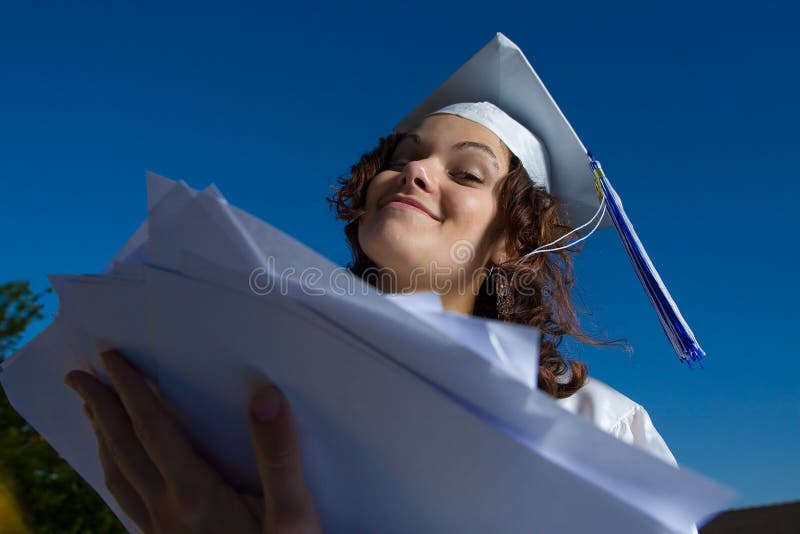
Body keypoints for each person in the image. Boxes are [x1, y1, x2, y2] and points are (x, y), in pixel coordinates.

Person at [64, 33, 686, 532]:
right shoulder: (248, 372)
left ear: (513, 243)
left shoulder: (596, 429)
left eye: (467, 174)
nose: (416, 171)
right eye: (403, 157)